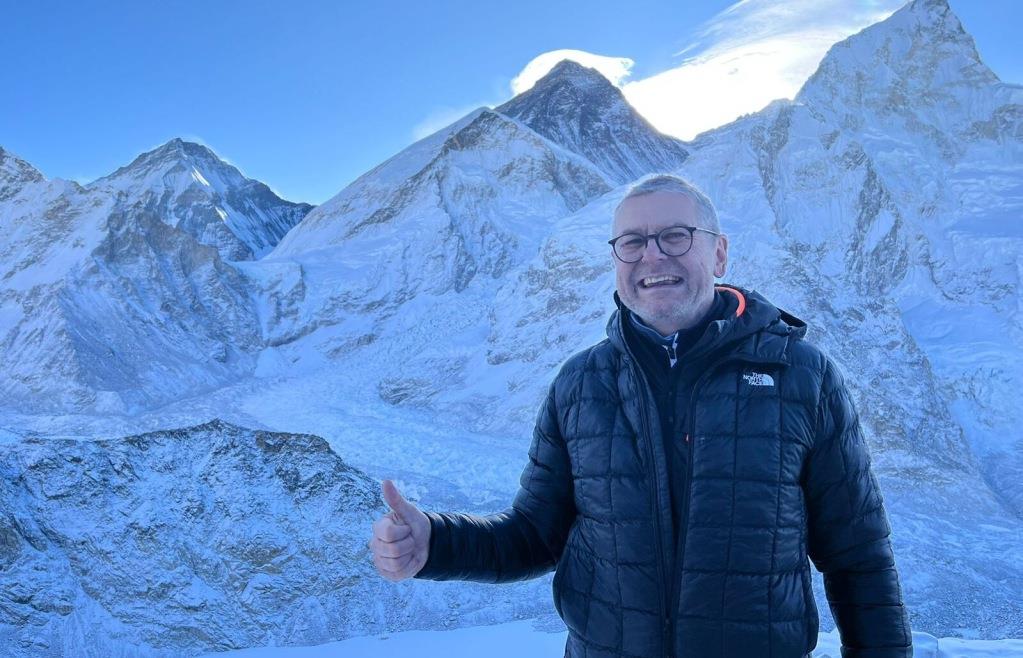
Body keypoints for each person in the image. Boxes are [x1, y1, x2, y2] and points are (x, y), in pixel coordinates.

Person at [369, 174, 913, 658]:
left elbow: (857, 557)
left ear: (718, 254)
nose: (653, 256)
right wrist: (435, 543)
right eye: (632, 242)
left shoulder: (801, 376)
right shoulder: (580, 384)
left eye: (675, 236)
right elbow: (536, 536)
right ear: (616, 260)